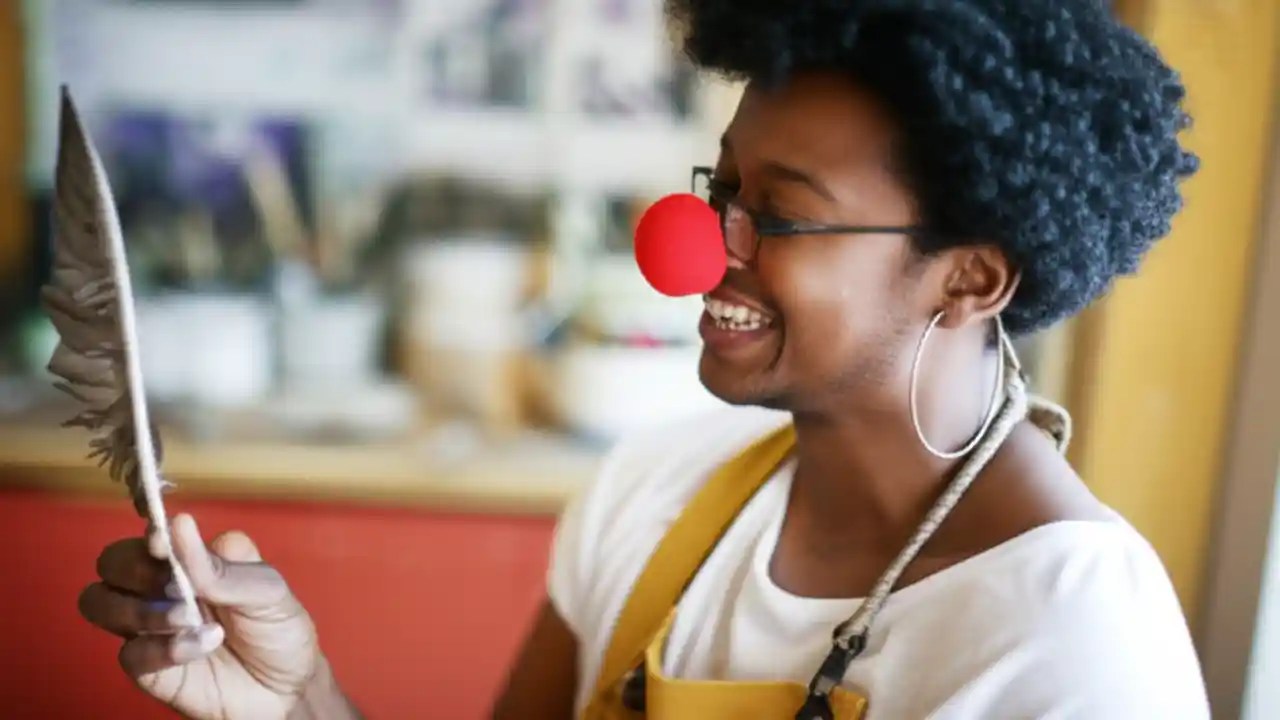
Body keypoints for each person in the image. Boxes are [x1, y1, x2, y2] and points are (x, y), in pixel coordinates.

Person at [79, 0, 1211, 718]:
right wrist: (294, 699)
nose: (695, 251)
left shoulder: (1070, 641)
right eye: (720, 189)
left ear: (968, 277)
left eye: (783, 212)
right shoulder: (652, 488)